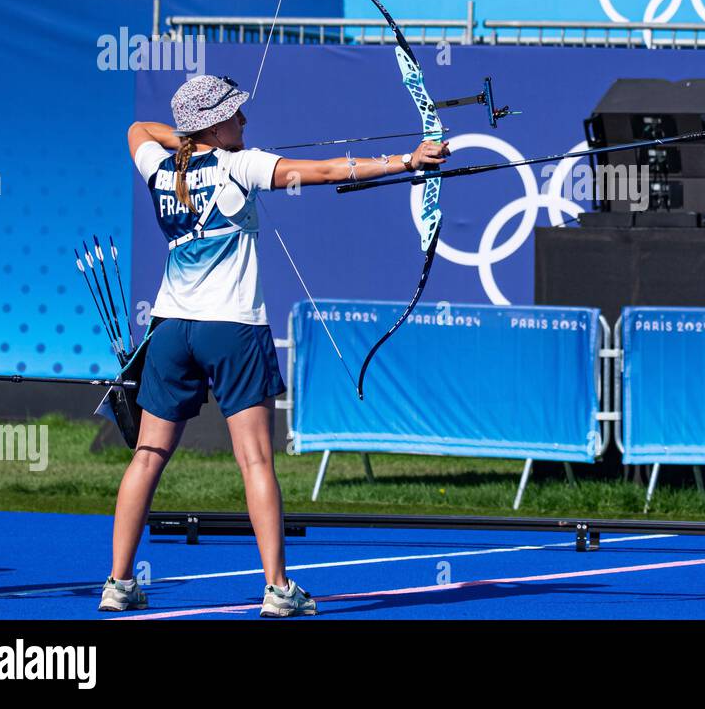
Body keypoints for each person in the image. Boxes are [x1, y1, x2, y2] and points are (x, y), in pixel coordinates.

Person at [103, 79, 448, 617]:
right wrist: (407, 160)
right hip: (232, 329)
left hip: (171, 328)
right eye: (235, 117)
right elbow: (332, 172)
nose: (245, 122)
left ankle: (119, 583)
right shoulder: (240, 166)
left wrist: (192, 145)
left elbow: (137, 129)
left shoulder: (158, 167)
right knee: (256, 458)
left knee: (148, 455)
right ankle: (279, 590)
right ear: (215, 125)